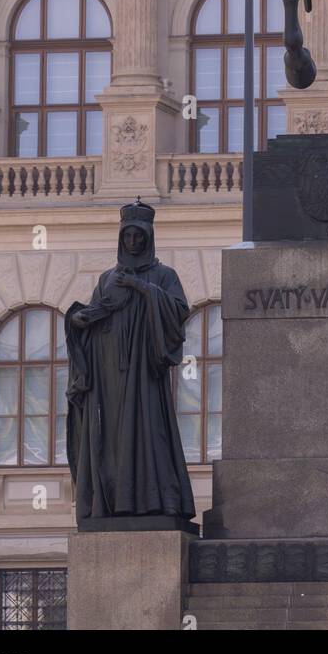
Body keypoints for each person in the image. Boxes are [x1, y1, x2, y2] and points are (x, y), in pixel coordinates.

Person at [65, 199, 196, 526]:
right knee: (109, 436)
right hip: (108, 370)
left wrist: (140, 287)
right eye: (128, 236)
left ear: (149, 238)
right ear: (121, 238)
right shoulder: (107, 277)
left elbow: (178, 312)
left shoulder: (164, 275)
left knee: (148, 430)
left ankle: (151, 500)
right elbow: (96, 312)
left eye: (139, 236)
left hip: (143, 371)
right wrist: (79, 320)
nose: (133, 241)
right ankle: (111, 502)